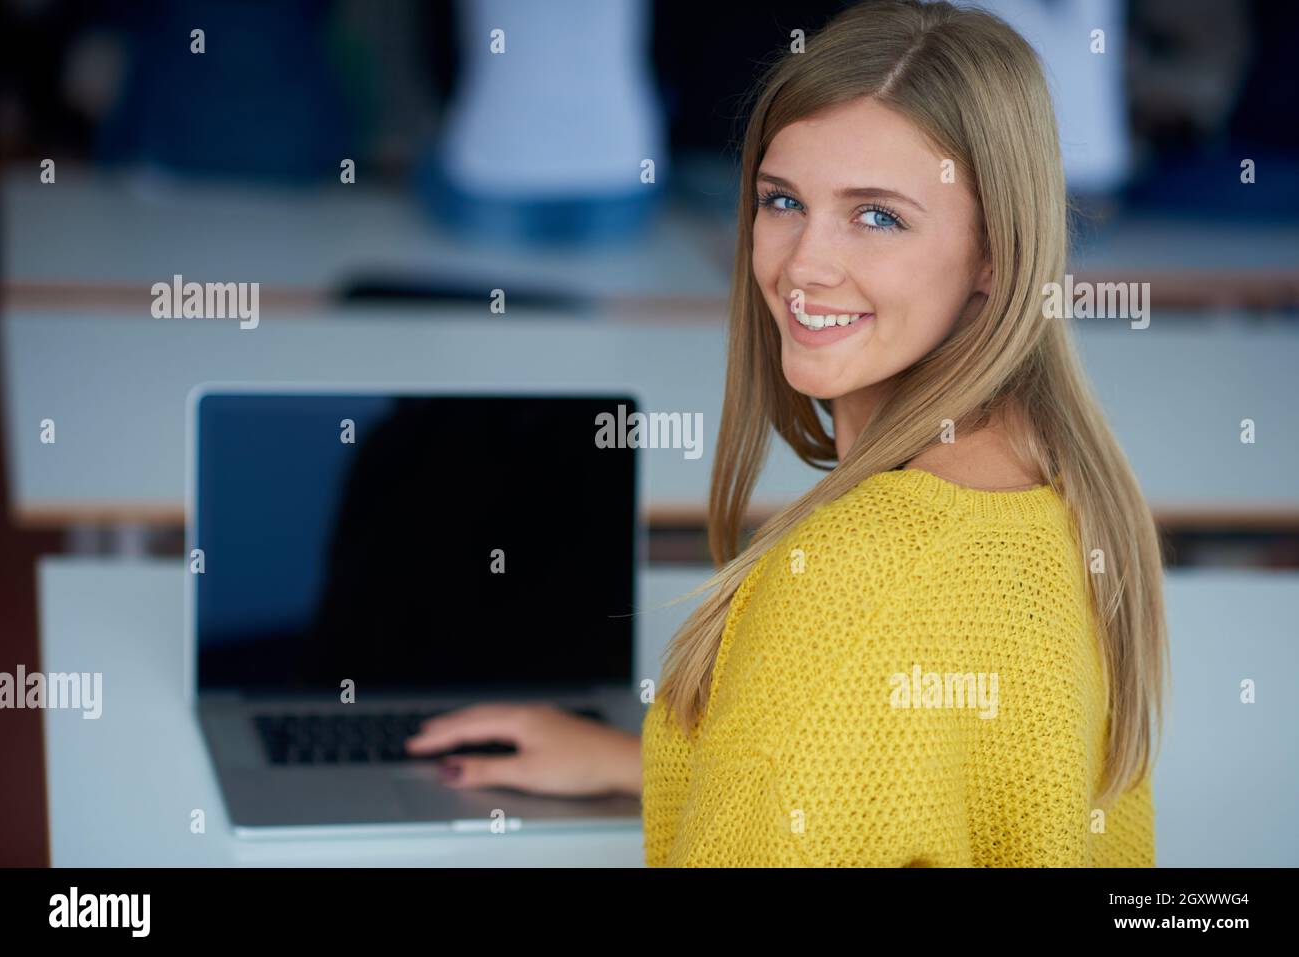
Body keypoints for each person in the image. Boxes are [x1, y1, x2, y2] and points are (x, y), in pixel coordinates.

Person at [406, 0, 1167, 867]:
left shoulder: (844, 588)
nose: (804, 264)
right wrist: (653, 759)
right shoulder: (1067, 487)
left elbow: (843, 696)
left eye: (877, 216)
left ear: (996, 250)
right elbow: (927, 773)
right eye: (783, 201)